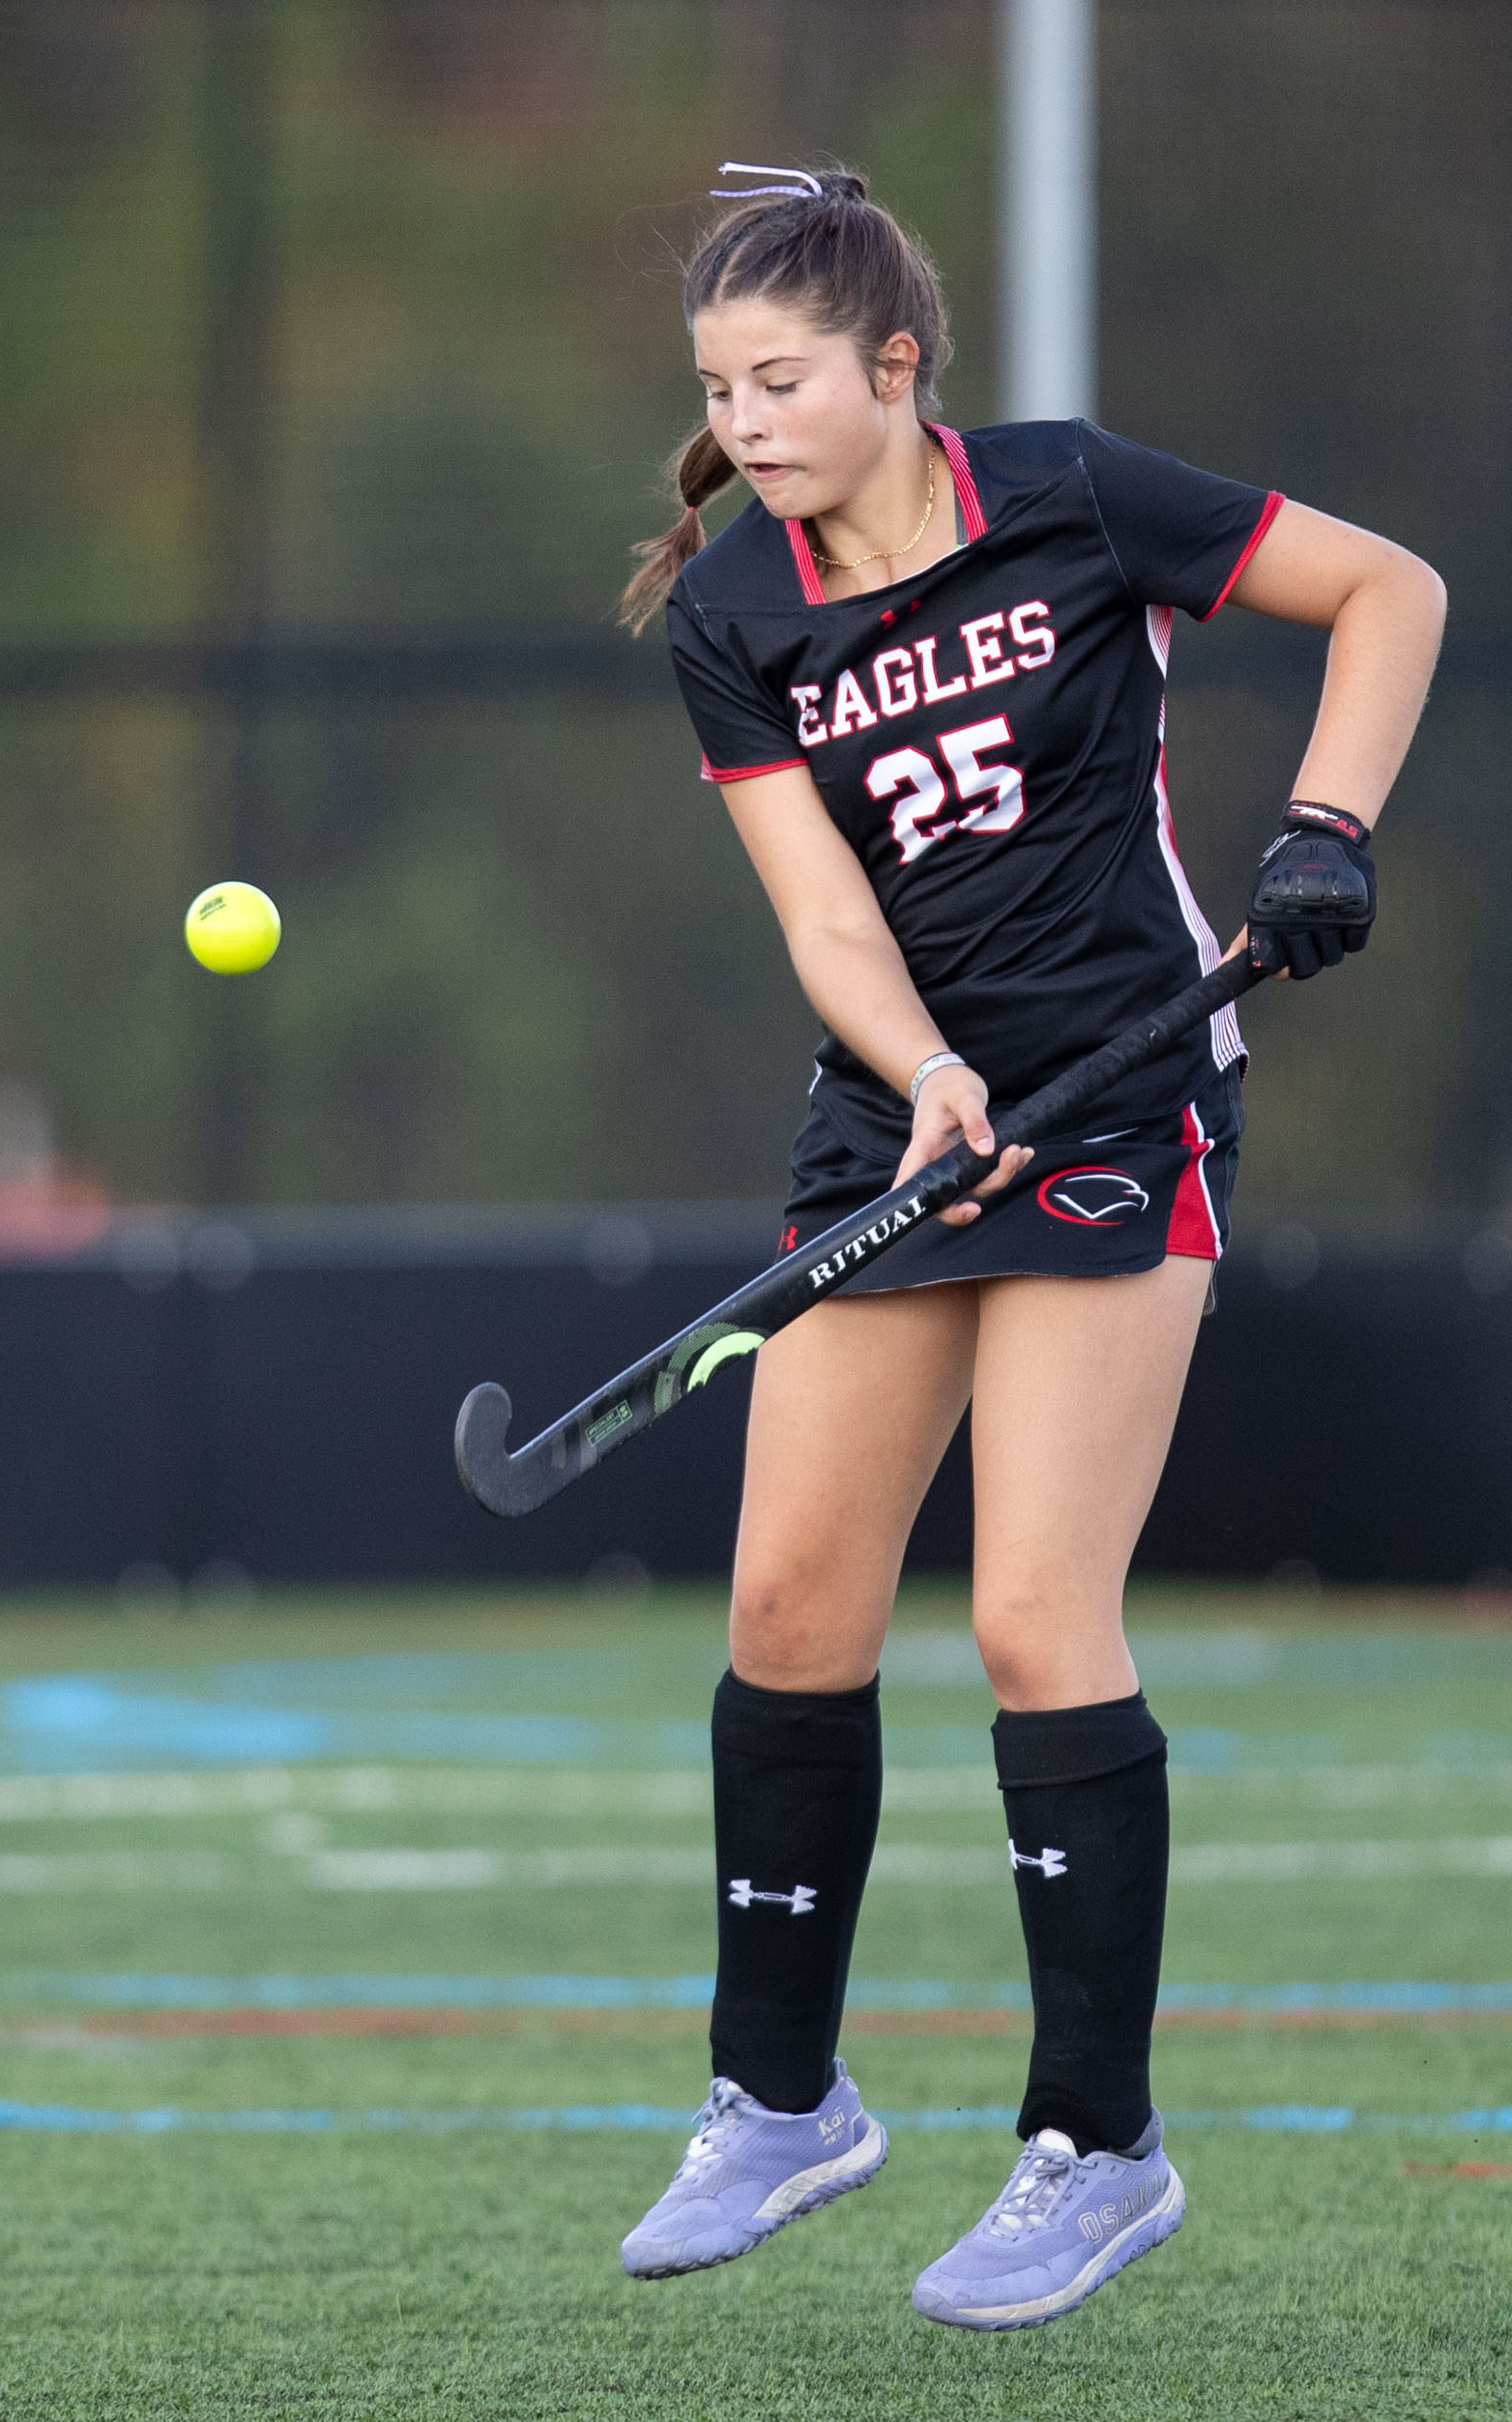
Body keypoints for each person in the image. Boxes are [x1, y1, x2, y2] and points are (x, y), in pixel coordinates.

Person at [613, 162, 1444, 2329]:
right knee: (791, 1601)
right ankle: (782, 2097)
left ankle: (1096, 2143)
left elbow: (1391, 590)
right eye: (718, 385)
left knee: (1023, 1611)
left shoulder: (1073, 499)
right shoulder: (734, 613)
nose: (748, 418)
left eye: (781, 377)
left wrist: (1325, 829)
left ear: (896, 365)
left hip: (1125, 1089)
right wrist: (917, 1076)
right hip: (901, 1108)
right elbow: (821, 911)